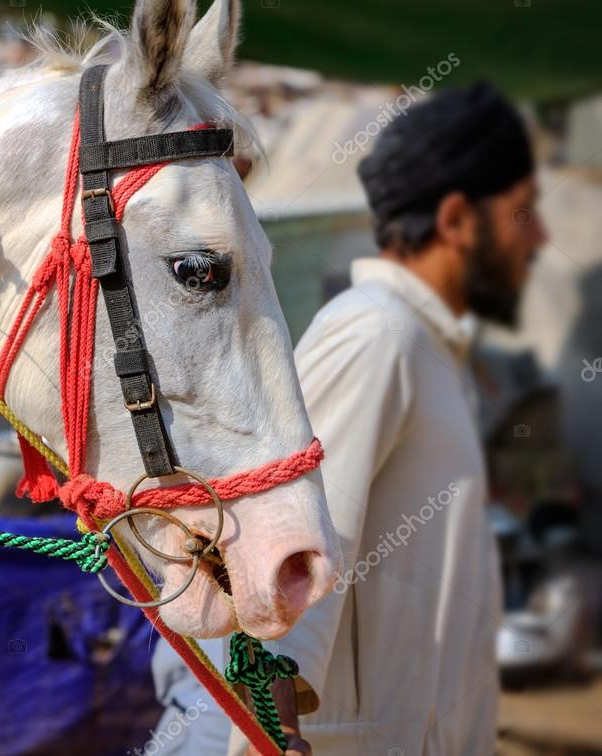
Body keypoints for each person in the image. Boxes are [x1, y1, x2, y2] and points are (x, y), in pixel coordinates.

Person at [225, 81, 547, 755]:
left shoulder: (427, 351)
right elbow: (283, 572)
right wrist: (274, 736)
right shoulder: (376, 334)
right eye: (522, 214)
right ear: (457, 220)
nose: (538, 239)